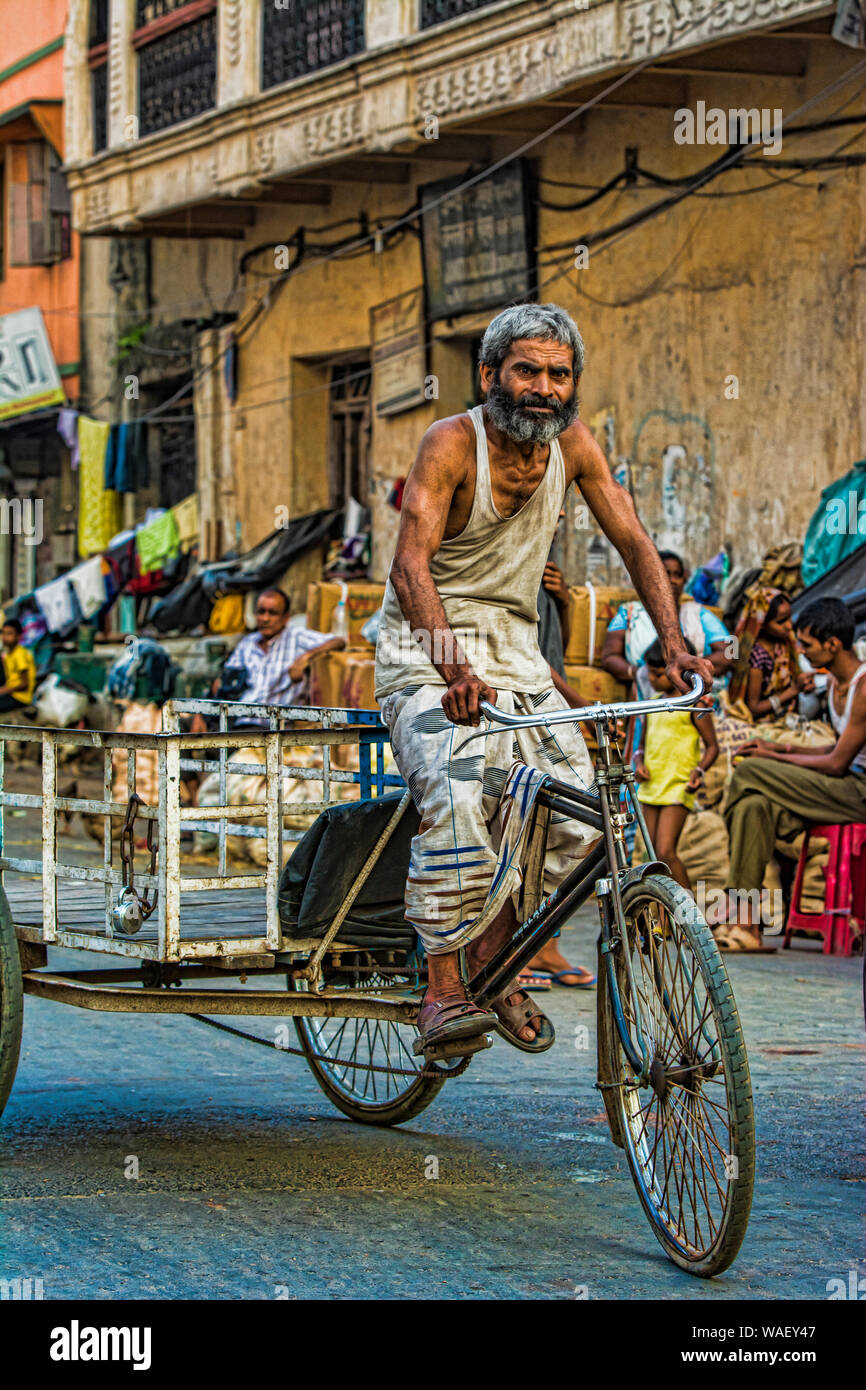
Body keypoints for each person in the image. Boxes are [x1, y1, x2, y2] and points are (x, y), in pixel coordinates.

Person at [374, 302, 713, 1056]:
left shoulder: (574, 445)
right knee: (458, 799)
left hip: (519, 657)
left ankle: (500, 956)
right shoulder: (449, 443)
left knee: (580, 818)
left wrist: (677, 642)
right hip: (427, 649)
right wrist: (452, 669)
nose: (544, 388)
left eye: (559, 375)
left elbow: (633, 538)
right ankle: (443, 991)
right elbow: (408, 566)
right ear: (490, 374)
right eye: (527, 370)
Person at [713, 597, 866, 952]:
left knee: (749, 772)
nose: (802, 651)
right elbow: (833, 751)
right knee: (753, 806)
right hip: (840, 785)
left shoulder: (862, 686)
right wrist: (777, 749)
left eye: (808, 644)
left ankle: (732, 907)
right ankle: (745, 924)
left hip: (858, 792)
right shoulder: (833, 686)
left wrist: (770, 760)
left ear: (832, 644)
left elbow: (836, 764)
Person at [634, 639, 718, 892]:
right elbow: (641, 746)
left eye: (658, 674)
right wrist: (638, 762)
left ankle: (689, 915)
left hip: (678, 785)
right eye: (649, 672)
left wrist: (699, 770)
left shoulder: (695, 705)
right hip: (651, 786)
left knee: (666, 852)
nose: (652, 679)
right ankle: (665, 918)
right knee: (653, 857)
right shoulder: (653, 704)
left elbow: (713, 746)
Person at [601, 550, 733, 698]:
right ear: (649, 579)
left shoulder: (698, 614)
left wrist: (686, 671)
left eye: (677, 575)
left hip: (693, 696)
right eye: (665, 574)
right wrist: (644, 674)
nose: (672, 580)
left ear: (684, 580)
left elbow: (729, 653)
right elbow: (609, 657)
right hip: (646, 697)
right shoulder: (630, 613)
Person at [217, 587, 345, 716]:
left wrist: (306, 658)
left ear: (286, 618)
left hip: (277, 724)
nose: (265, 618)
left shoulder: (296, 636)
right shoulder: (248, 643)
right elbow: (226, 679)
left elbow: (338, 641)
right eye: (261, 612)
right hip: (240, 720)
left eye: (272, 613)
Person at [726, 585, 810, 723]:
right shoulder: (757, 658)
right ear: (762, 623)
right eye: (781, 621)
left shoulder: (784, 643)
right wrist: (794, 690)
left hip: (788, 716)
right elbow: (754, 708)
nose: (789, 626)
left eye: (789, 618)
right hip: (767, 723)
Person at [0, 619, 36, 712]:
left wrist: (3, 690)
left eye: (9, 634)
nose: (4, 637)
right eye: (3, 633)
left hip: (21, 698)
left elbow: (24, 684)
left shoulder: (20, 654)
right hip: (11, 693)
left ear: (19, 636)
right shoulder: (8, 654)